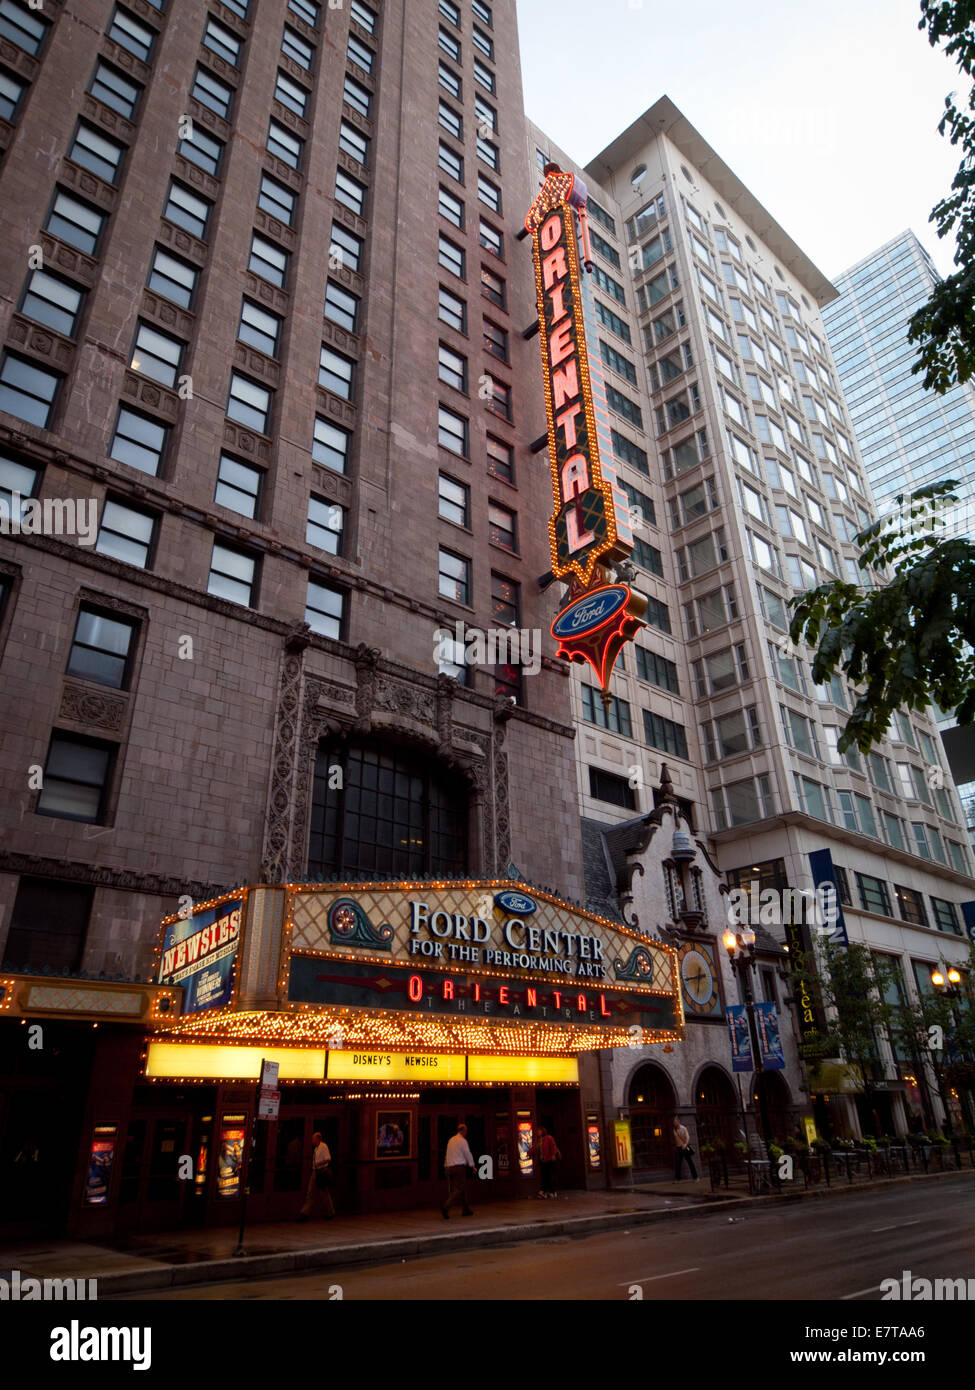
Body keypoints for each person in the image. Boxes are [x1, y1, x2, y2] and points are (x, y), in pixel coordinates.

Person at [298, 1130, 335, 1221]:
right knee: (310, 1192)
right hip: (315, 1171)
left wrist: (318, 1163)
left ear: (318, 1138)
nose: (312, 1140)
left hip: (321, 1171)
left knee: (323, 1193)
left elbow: (328, 1158)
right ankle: (304, 1214)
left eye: (313, 1138)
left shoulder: (323, 1146)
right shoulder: (316, 1148)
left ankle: (330, 1212)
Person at [441, 1122, 475, 1218]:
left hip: (450, 1167)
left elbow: (447, 1154)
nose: (466, 1133)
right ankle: (446, 1206)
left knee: (462, 1188)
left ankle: (465, 1209)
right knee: (459, 1189)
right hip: (459, 1167)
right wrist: (472, 1165)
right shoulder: (462, 1141)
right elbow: (467, 1153)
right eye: (466, 1131)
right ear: (463, 1131)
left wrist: (446, 1166)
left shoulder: (451, 1140)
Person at [536, 1125, 561, 1198]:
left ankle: (550, 1191)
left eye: (539, 1130)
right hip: (543, 1161)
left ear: (543, 1131)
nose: (538, 1132)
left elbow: (553, 1146)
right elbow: (535, 1148)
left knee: (549, 1176)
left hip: (550, 1160)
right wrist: (528, 1153)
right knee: (545, 1176)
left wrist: (553, 1155)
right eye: (537, 1131)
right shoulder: (539, 1140)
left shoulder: (548, 1138)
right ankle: (547, 1192)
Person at [672, 1116, 698, 1181]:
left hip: (684, 1147)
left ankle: (695, 1177)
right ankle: (678, 1178)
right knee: (678, 1164)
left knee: (690, 1162)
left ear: (678, 1121)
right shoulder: (674, 1130)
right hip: (678, 1148)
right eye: (674, 1122)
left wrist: (685, 1145)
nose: (674, 1123)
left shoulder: (683, 1128)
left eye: (675, 1122)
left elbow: (688, 1137)